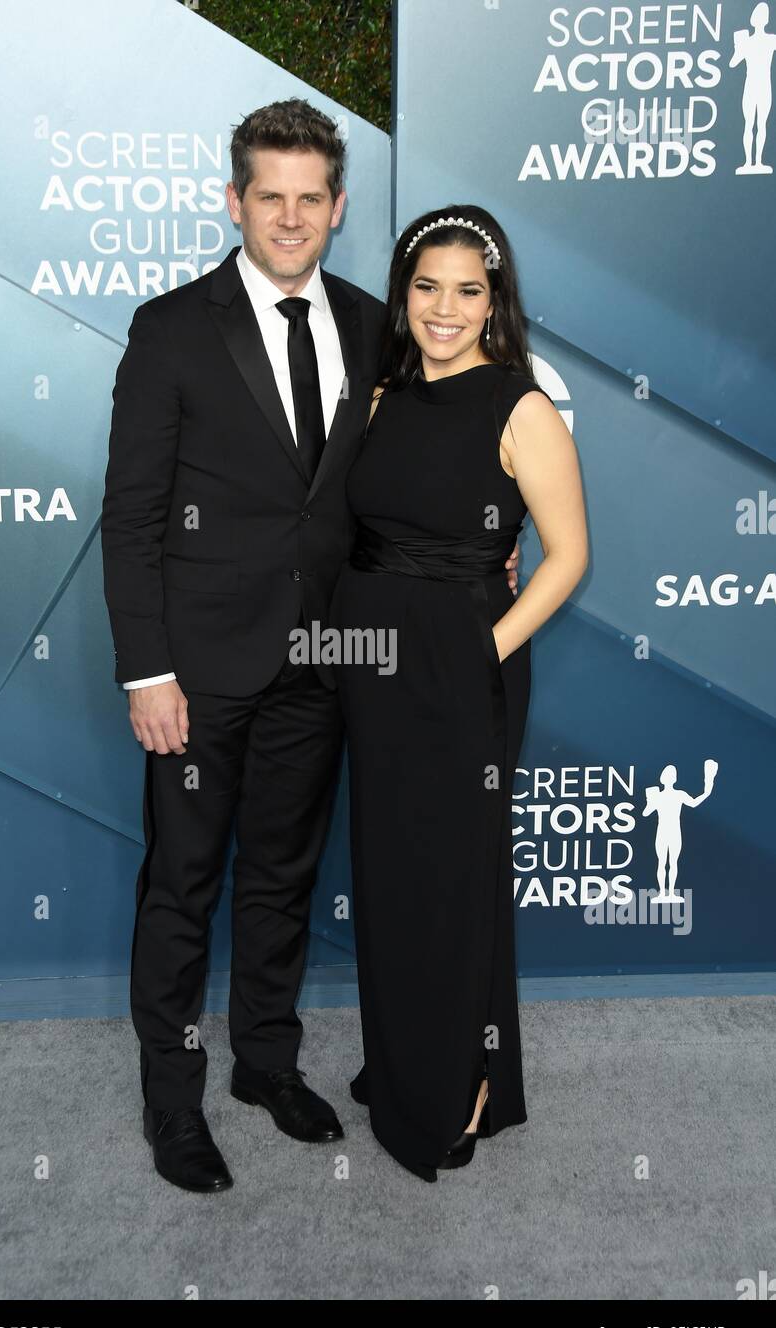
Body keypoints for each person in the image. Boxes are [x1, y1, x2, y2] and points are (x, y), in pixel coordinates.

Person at [101, 104, 520, 1194]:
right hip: (194, 672)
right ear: (233, 201)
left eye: (310, 198)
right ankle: (173, 1102)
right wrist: (146, 668)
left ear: (336, 208)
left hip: (329, 660)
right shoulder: (171, 328)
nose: (289, 218)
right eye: (267, 195)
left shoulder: (375, 323)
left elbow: (436, 458)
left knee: (282, 875)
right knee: (182, 884)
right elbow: (133, 514)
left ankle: (267, 1065)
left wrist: (493, 555)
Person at [331, 205, 588, 1182]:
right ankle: (401, 1064)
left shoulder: (517, 406)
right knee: (390, 872)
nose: (444, 308)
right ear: (403, 295)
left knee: (451, 876)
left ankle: (461, 1085)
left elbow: (566, 557)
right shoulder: (381, 396)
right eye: (425, 286)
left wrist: (483, 647)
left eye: (466, 290)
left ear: (494, 303)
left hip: (462, 660)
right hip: (370, 657)